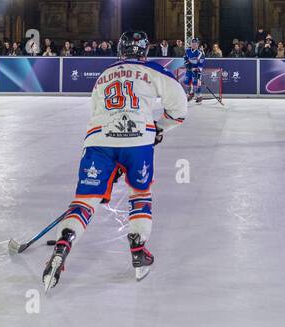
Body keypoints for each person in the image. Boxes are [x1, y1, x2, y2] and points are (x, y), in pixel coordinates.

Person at [42, 30, 187, 291]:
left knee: (84, 201)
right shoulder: (153, 71)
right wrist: (158, 127)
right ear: (144, 51)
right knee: (139, 194)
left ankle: (64, 242)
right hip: (138, 141)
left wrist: (112, 154)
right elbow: (179, 108)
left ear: (121, 50)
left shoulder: (103, 75)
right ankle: (138, 247)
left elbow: (97, 112)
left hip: (99, 142)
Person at [180, 37, 205, 101]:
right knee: (187, 83)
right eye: (192, 43)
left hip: (196, 71)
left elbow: (201, 63)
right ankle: (189, 94)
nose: (194, 45)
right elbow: (185, 58)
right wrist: (186, 64)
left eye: (195, 43)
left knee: (196, 83)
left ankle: (198, 96)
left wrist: (198, 71)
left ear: (198, 44)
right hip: (189, 70)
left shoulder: (200, 53)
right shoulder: (187, 50)